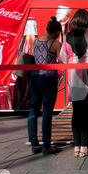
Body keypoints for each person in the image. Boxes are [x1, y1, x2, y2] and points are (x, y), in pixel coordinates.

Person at [59, 9, 88, 158]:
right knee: (87, 113)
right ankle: (84, 148)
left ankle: (76, 148)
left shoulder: (68, 36)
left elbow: (63, 57)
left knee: (76, 113)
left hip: (73, 75)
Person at [27, 17, 62, 155]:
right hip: (48, 80)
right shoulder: (55, 43)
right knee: (47, 111)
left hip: (34, 78)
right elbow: (61, 61)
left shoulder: (36, 41)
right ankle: (46, 145)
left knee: (33, 110)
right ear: (57, 32)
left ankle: (34, 143)